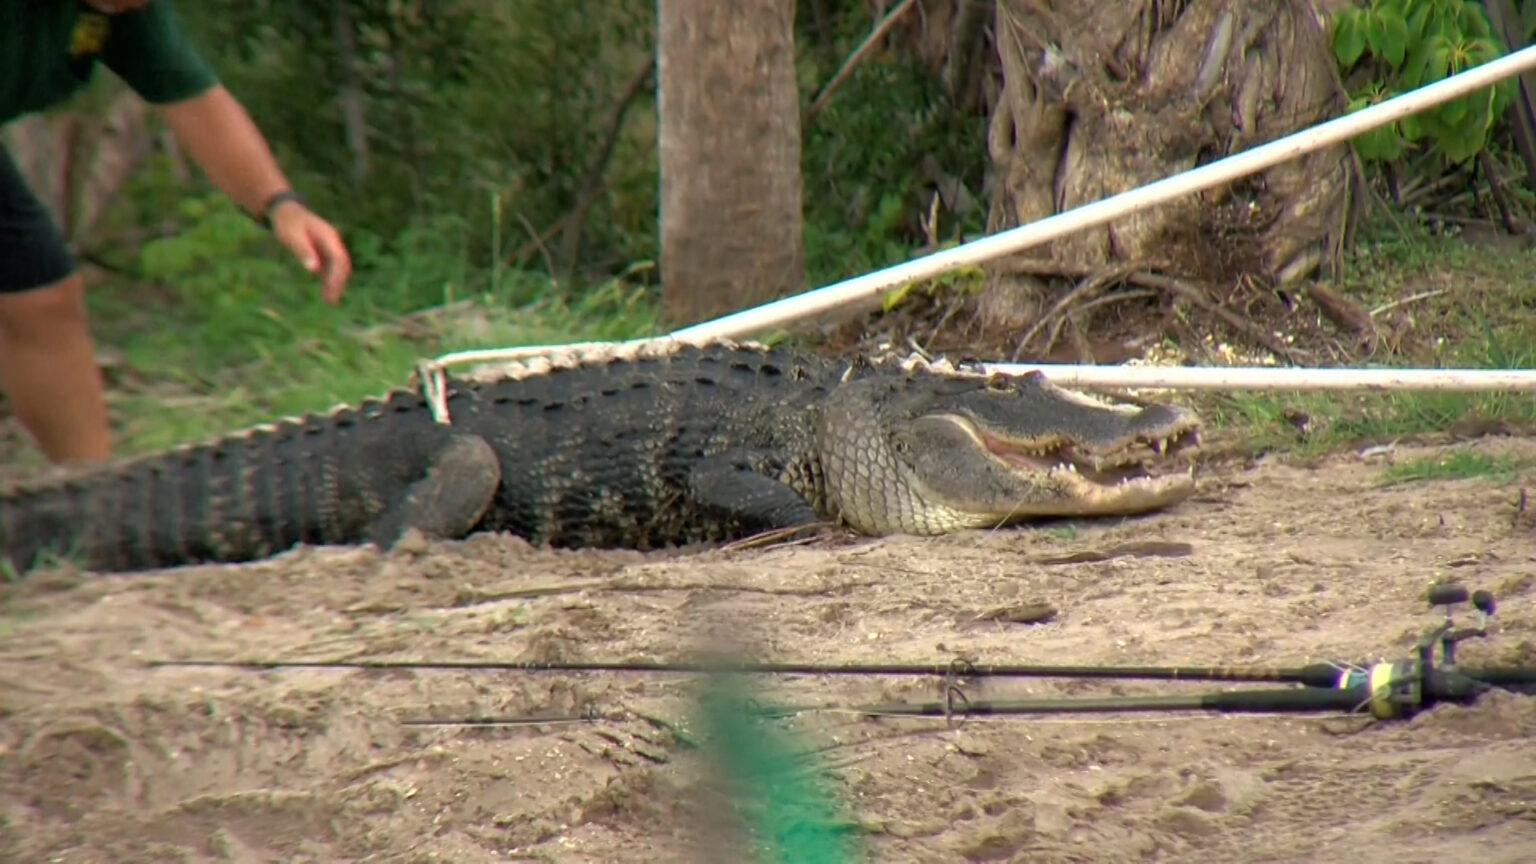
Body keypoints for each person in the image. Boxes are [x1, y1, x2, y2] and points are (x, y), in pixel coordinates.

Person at [0, 0, 352, 464]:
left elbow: (195, 101)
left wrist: (281, 206)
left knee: (41, 294)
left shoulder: (126, 16)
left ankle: (92, 499)